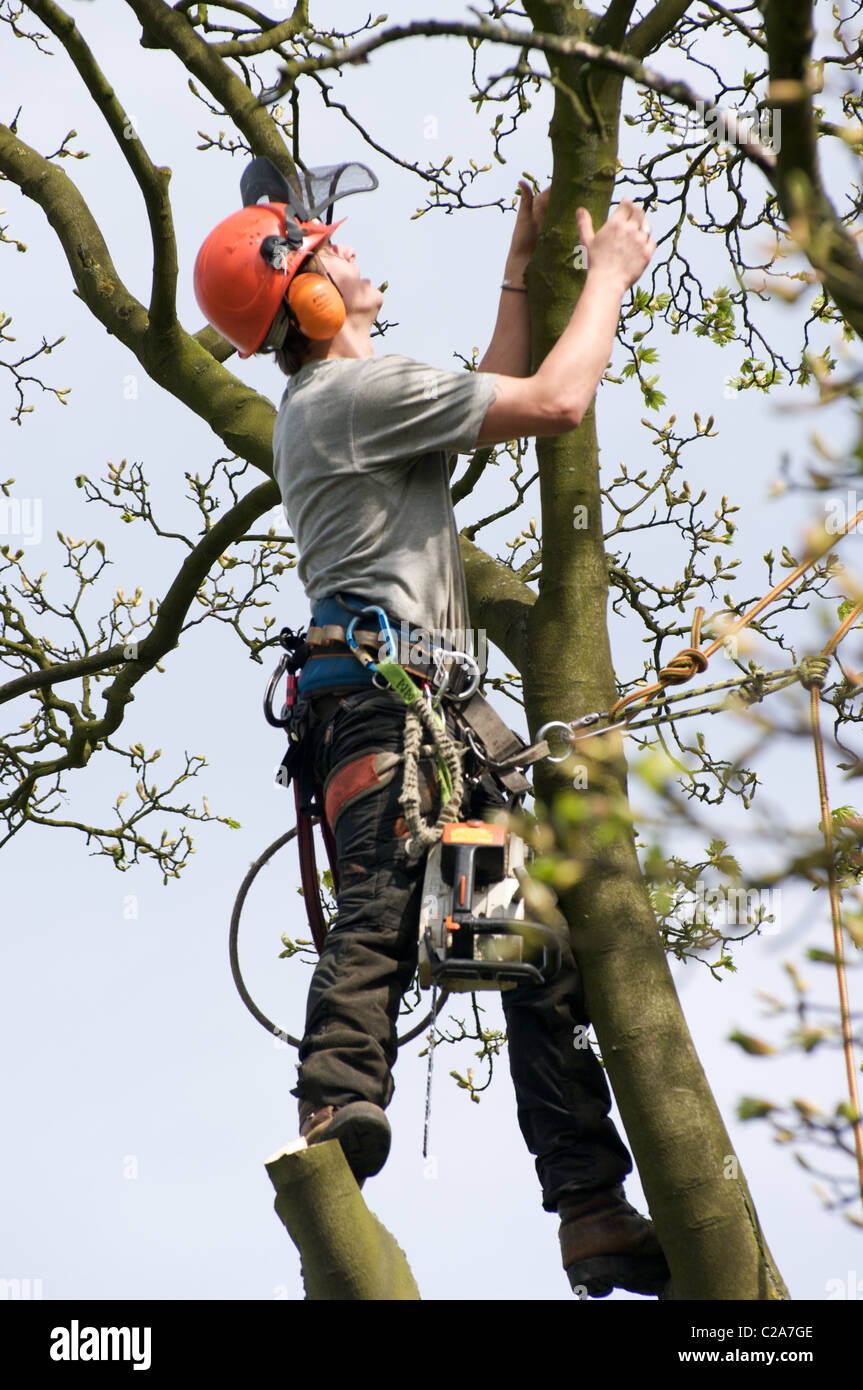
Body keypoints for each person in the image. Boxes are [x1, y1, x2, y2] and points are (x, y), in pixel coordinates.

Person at [195, 172, 668, 1298]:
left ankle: (589, 1208)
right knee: (383, 896)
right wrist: (605, 273)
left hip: (438, 726)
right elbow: (553, 400)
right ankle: (333, 1100)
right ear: (303, 299)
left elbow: (494, 388)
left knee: (523, 948)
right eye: (329, 254)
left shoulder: (366, 400)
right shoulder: (342, 400)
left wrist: (522, 265)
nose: (356, 262)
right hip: (383, 709)